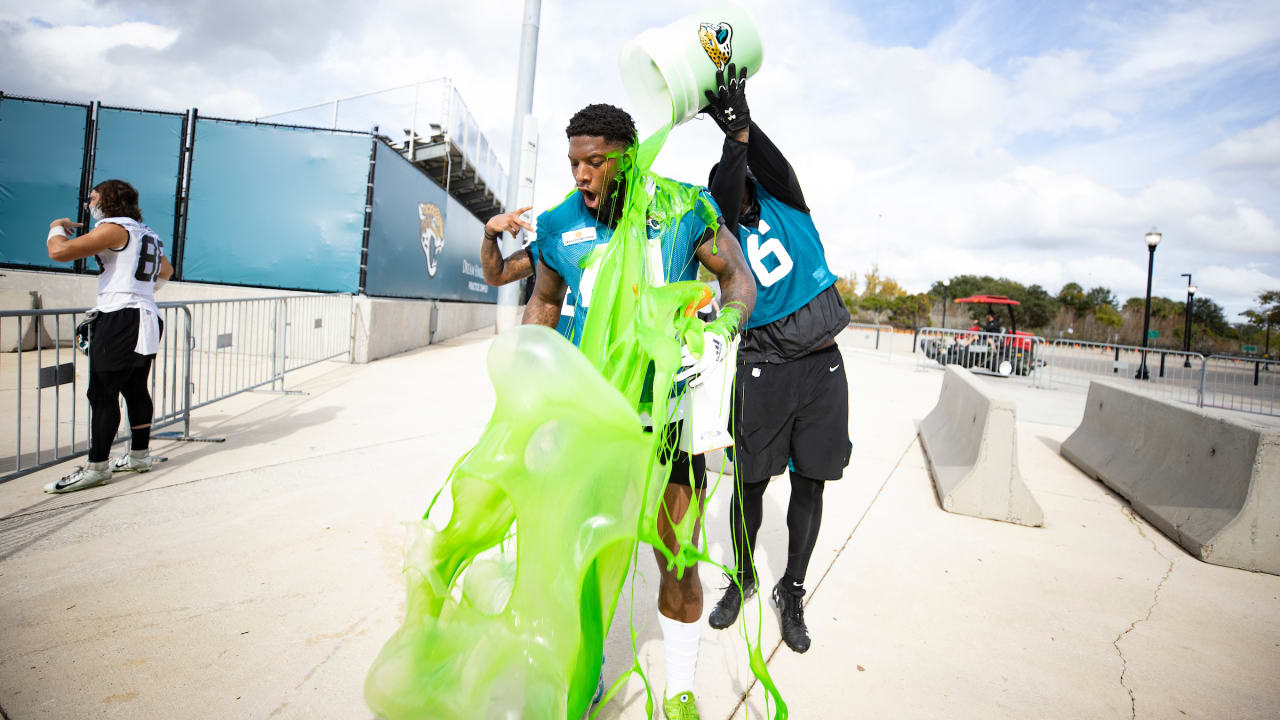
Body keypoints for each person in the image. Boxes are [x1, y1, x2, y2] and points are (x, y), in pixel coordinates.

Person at [496, 103, 755, 720]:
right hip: (592, 424)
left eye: (595, 162)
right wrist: (536, 370)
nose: (582, 175)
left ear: (627, 157)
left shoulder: (682, 209)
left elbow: (738, 281)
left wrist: (720, 332)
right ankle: (586, 676)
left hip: (668, 423)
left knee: (678, 560)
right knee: (582, 564)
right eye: (574, 163)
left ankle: (681, 687)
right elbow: (545, 300)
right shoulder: (560, 224)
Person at [700, 64, 851, 654]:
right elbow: (728, 180)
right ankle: (741, 578)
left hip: (820, 365)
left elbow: (770, 164)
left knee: (812, 482)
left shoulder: (790, 202)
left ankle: (792, 588)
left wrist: (742, 119)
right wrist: (730, 143)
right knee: (750, 486)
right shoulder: (724, 234)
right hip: (761, 367)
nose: (739, 186)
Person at [43, 179, 173, 493]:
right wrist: (140, 292)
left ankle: (97, 467)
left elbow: (59, 251)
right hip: (145, 315)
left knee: (102, 394)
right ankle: (138, 456)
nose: (89, 203)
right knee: (135, 389)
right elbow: (166, 271)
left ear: (109, 199)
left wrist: (54, 226)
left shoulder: (114, 227)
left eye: (93, 197)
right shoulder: (148, 233)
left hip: (121, 317)